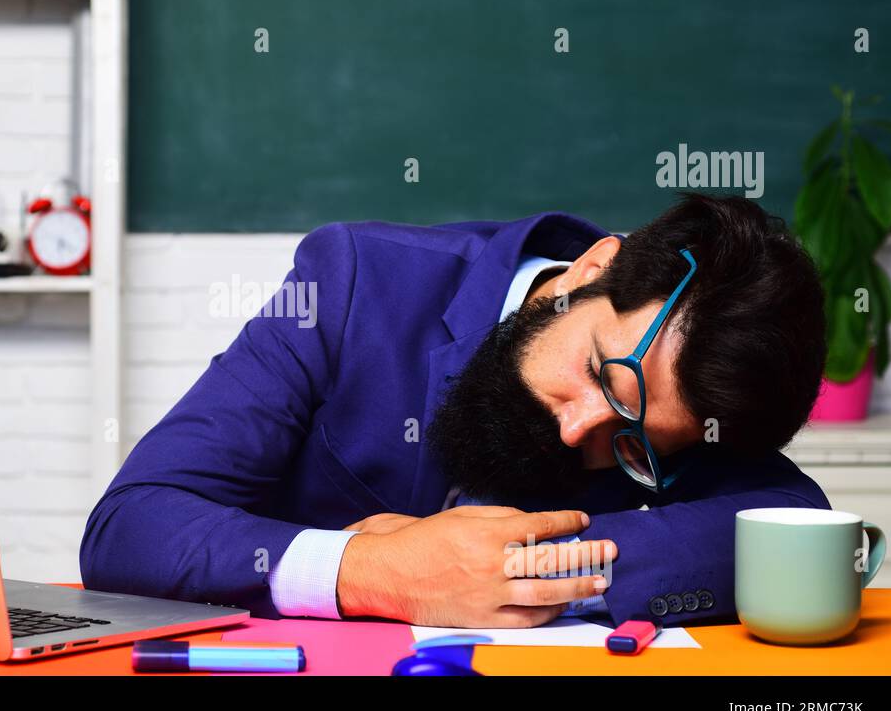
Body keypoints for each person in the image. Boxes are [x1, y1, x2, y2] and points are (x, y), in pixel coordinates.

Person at [80, 193, 829, 628]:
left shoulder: (691, 399)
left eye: (628, 441)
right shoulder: (352, 283)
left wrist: (511, 572)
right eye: (601, 373)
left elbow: (797, 520)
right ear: (593, 269)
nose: (576, 431)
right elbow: (132, 525)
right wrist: (368, 570)